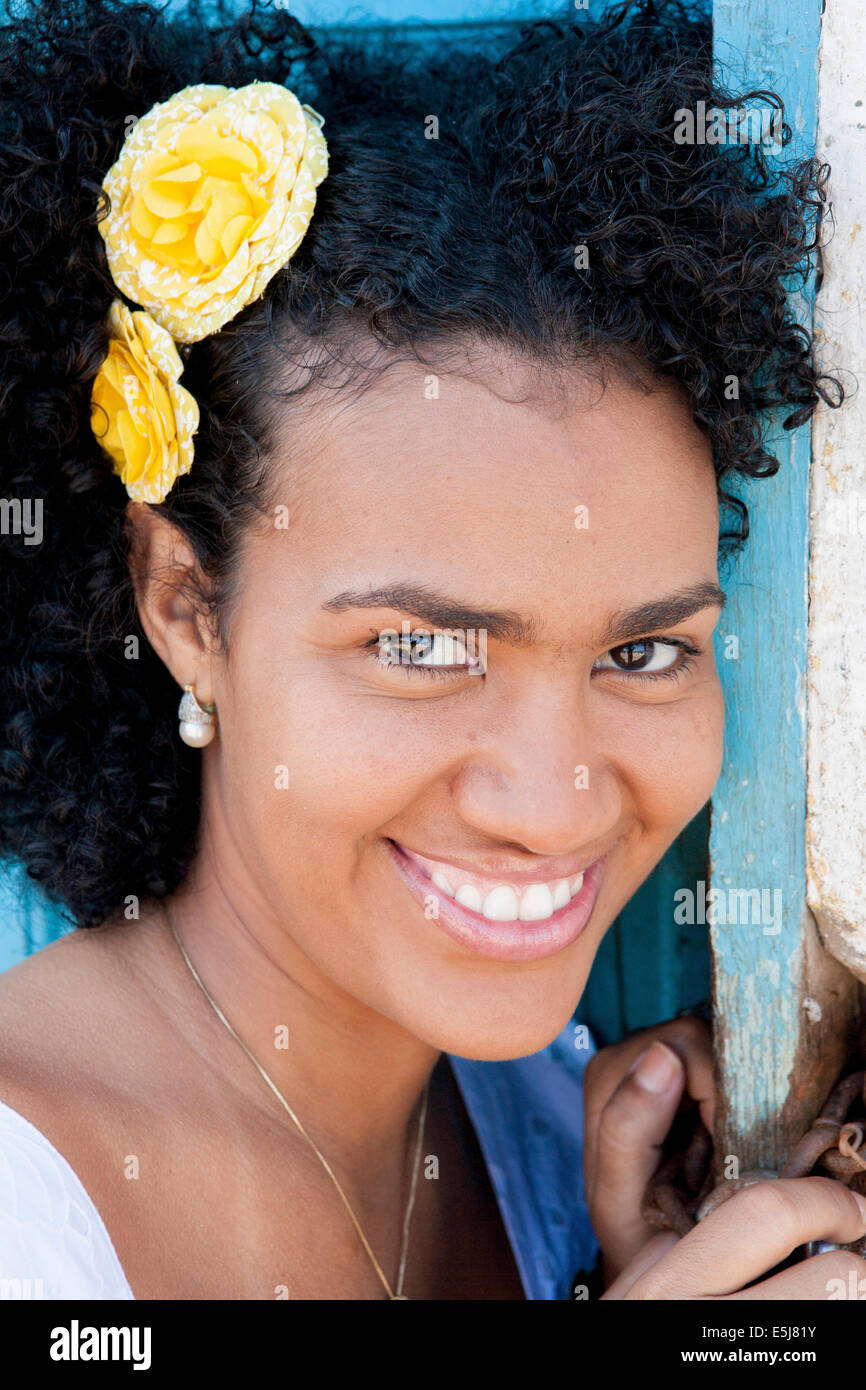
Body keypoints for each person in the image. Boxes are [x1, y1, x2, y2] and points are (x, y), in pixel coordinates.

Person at [0, 0, 863, 1301]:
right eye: (421, 644)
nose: (551, 799)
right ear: (185, 607)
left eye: (642, 651)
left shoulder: (541, 1125)